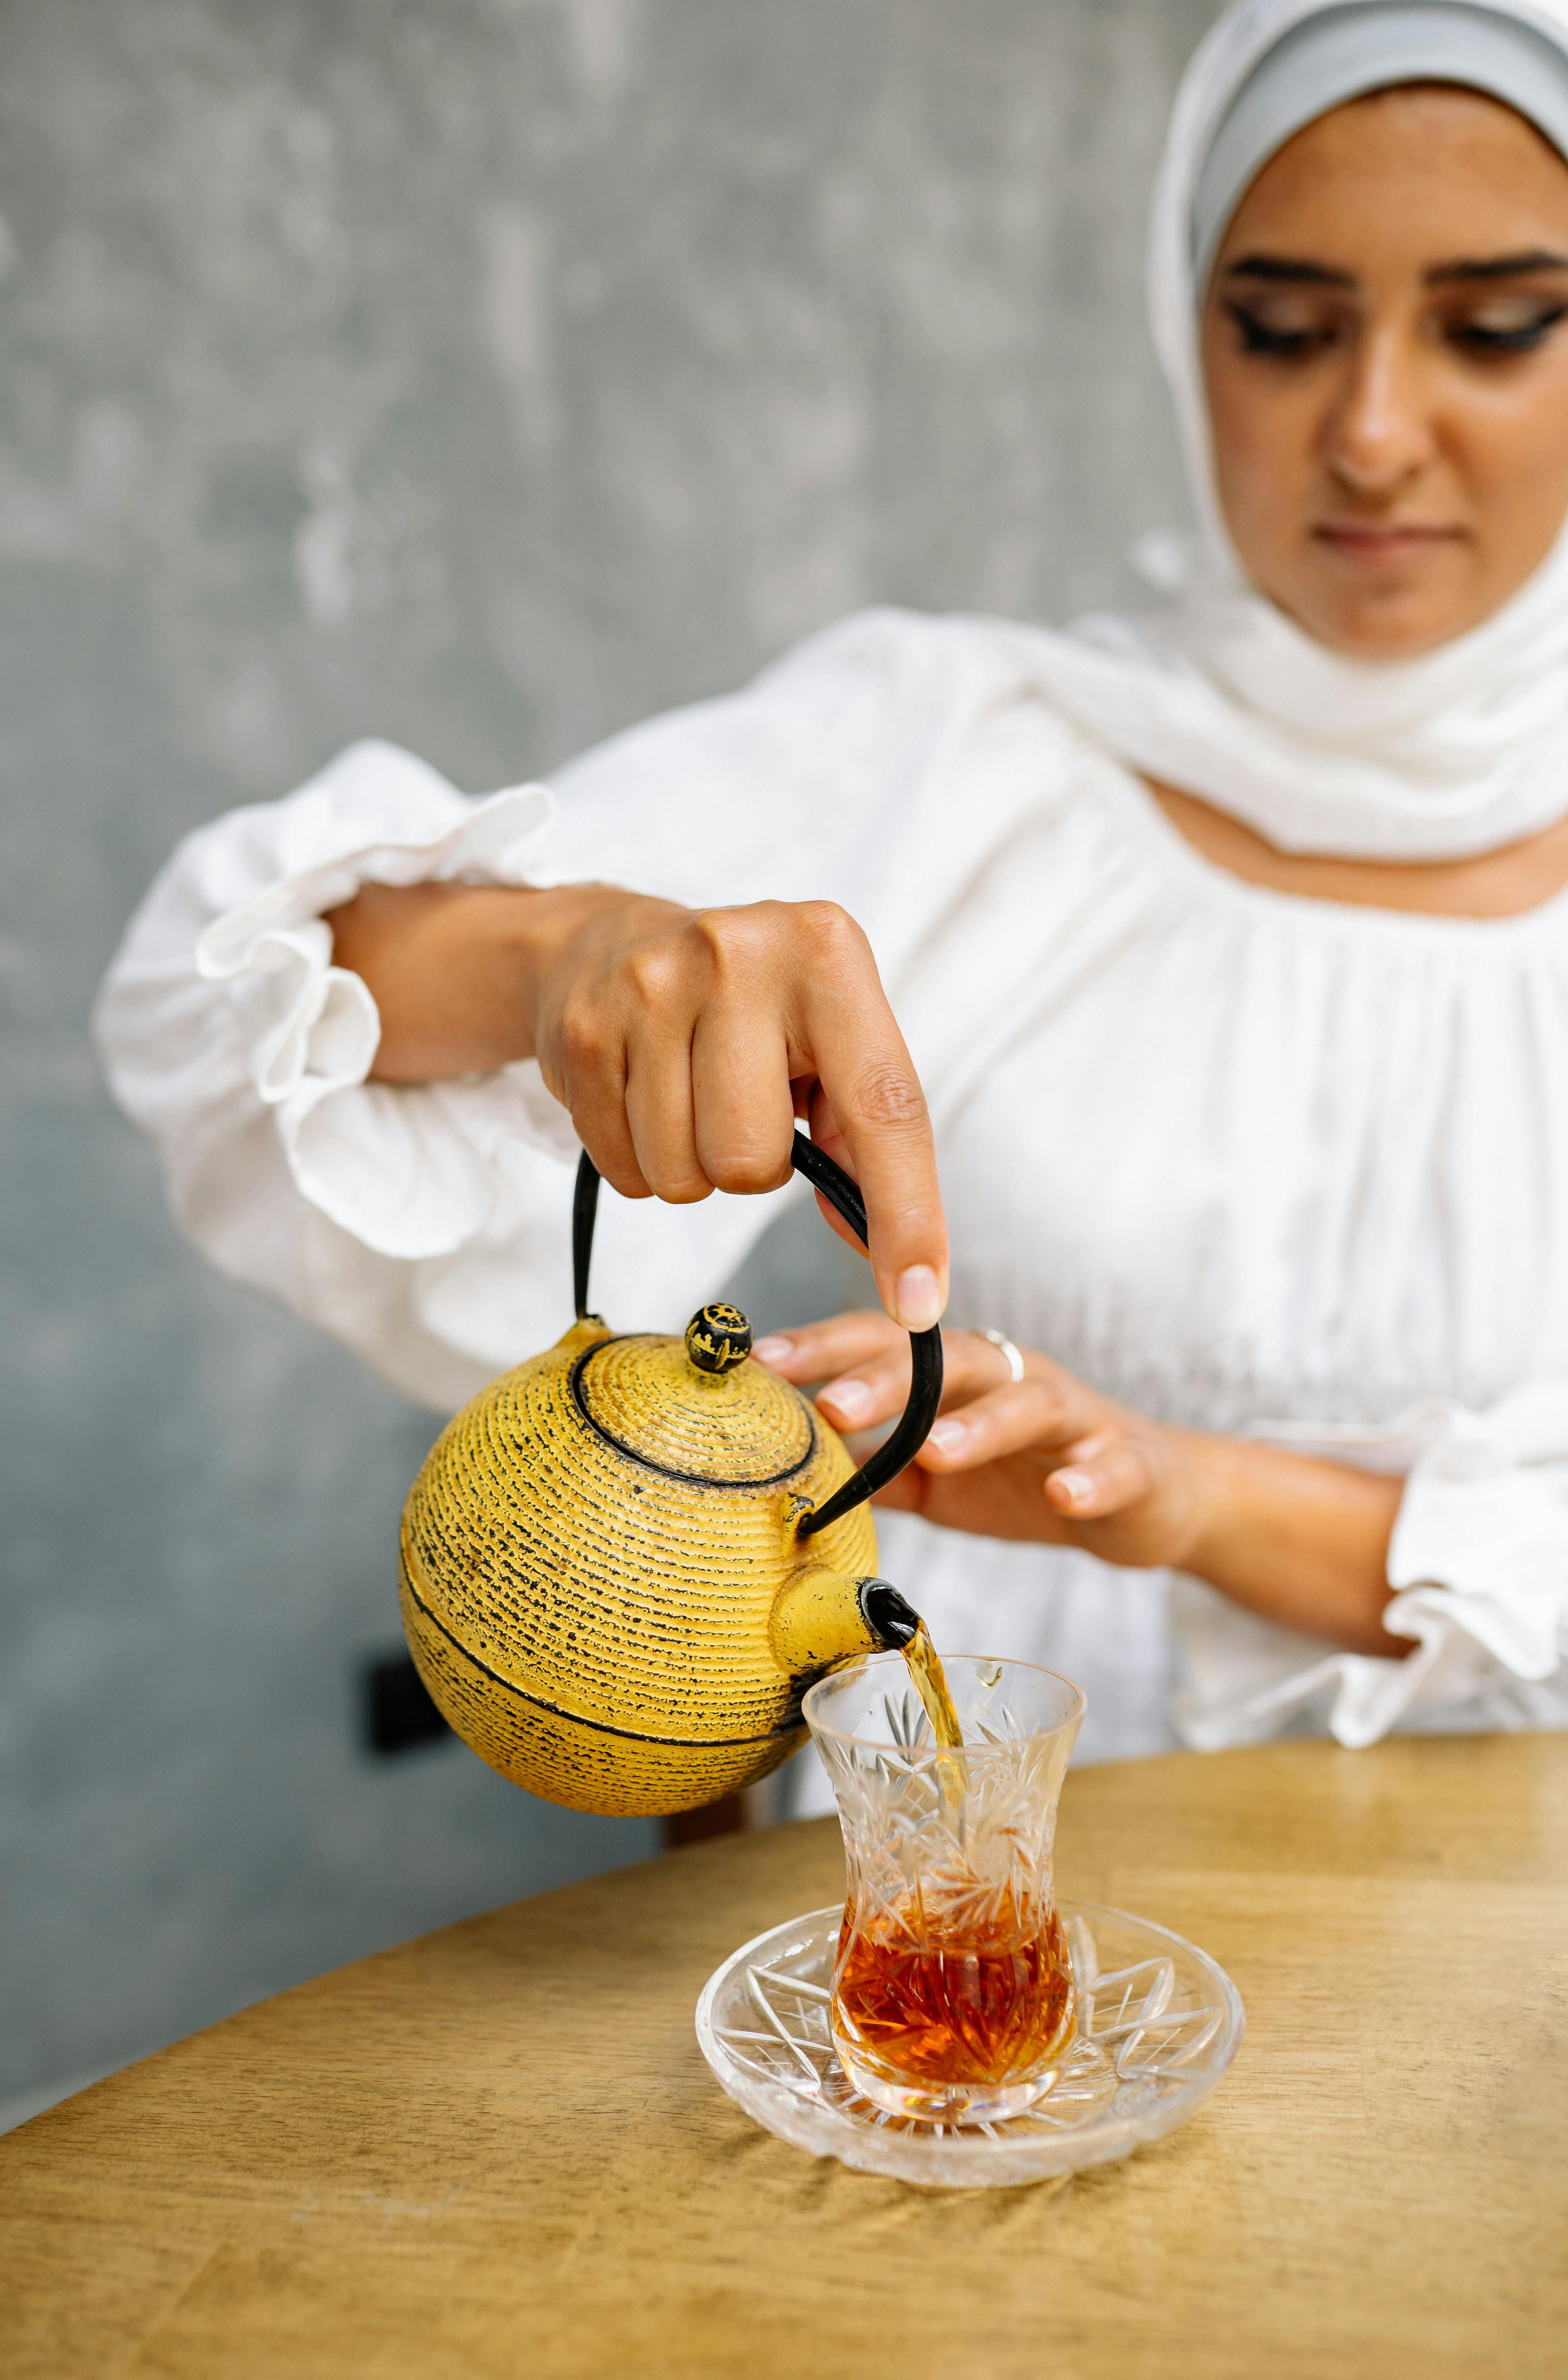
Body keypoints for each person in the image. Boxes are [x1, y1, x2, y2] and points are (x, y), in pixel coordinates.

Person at [97, 0, 1568, 1783]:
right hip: (944, 1892)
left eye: (1496, 329)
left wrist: (1186, 1499)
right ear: (1190, 338)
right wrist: (552, 955)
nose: (1372, 431)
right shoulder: (963, 752)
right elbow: (208, 999)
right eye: (1281, 330)